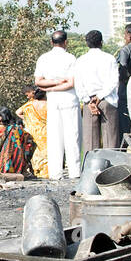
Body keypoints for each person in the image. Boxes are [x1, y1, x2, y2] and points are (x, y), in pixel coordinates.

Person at [35, 29, 80, 179]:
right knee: (72, 135)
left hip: (52, 98)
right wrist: (59, 83)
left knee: (54, 136)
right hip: (68, 98)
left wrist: (51, 87)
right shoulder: (71, 58)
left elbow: (39, 81)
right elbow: (70, 83)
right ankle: (74, 171)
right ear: (66, 42)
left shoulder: (43, 58)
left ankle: (55, 172)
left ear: (51, 42)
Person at [74, 30, 120, 155]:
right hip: (107, 100)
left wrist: (90, 100)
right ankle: (110, 170)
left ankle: (92, 169)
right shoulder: (109, 58)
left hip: (90, 103)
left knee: (90, 141)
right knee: (110, 139)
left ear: (87, 43)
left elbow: (78, 84)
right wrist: (99, 97)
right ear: (101, 42)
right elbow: (113, 81)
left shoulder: (80, 60)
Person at [0, 106, 34, 175]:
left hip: (2, 167)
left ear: (0, 118)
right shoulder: (17, 128)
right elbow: (28, 139)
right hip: (17, 165)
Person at [17, 84, 48, 178]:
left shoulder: (29, 105)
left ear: (33, 93)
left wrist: (27, 119)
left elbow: (17, 112)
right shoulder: (49, 104)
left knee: (37, 154)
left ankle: (39, 173)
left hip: (35, 133)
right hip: (47, 132)